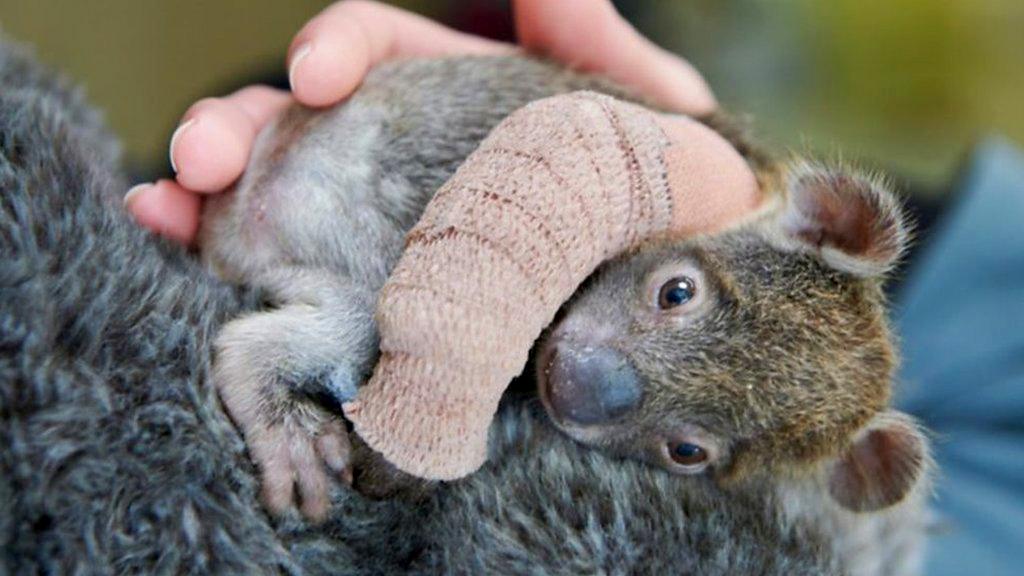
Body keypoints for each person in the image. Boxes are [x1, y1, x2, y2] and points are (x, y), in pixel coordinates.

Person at [124, 2, 1024, 575]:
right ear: (821, 215)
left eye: (684, 449)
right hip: (334, 158)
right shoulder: (706, 188)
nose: (585, 384)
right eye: (674, 298)